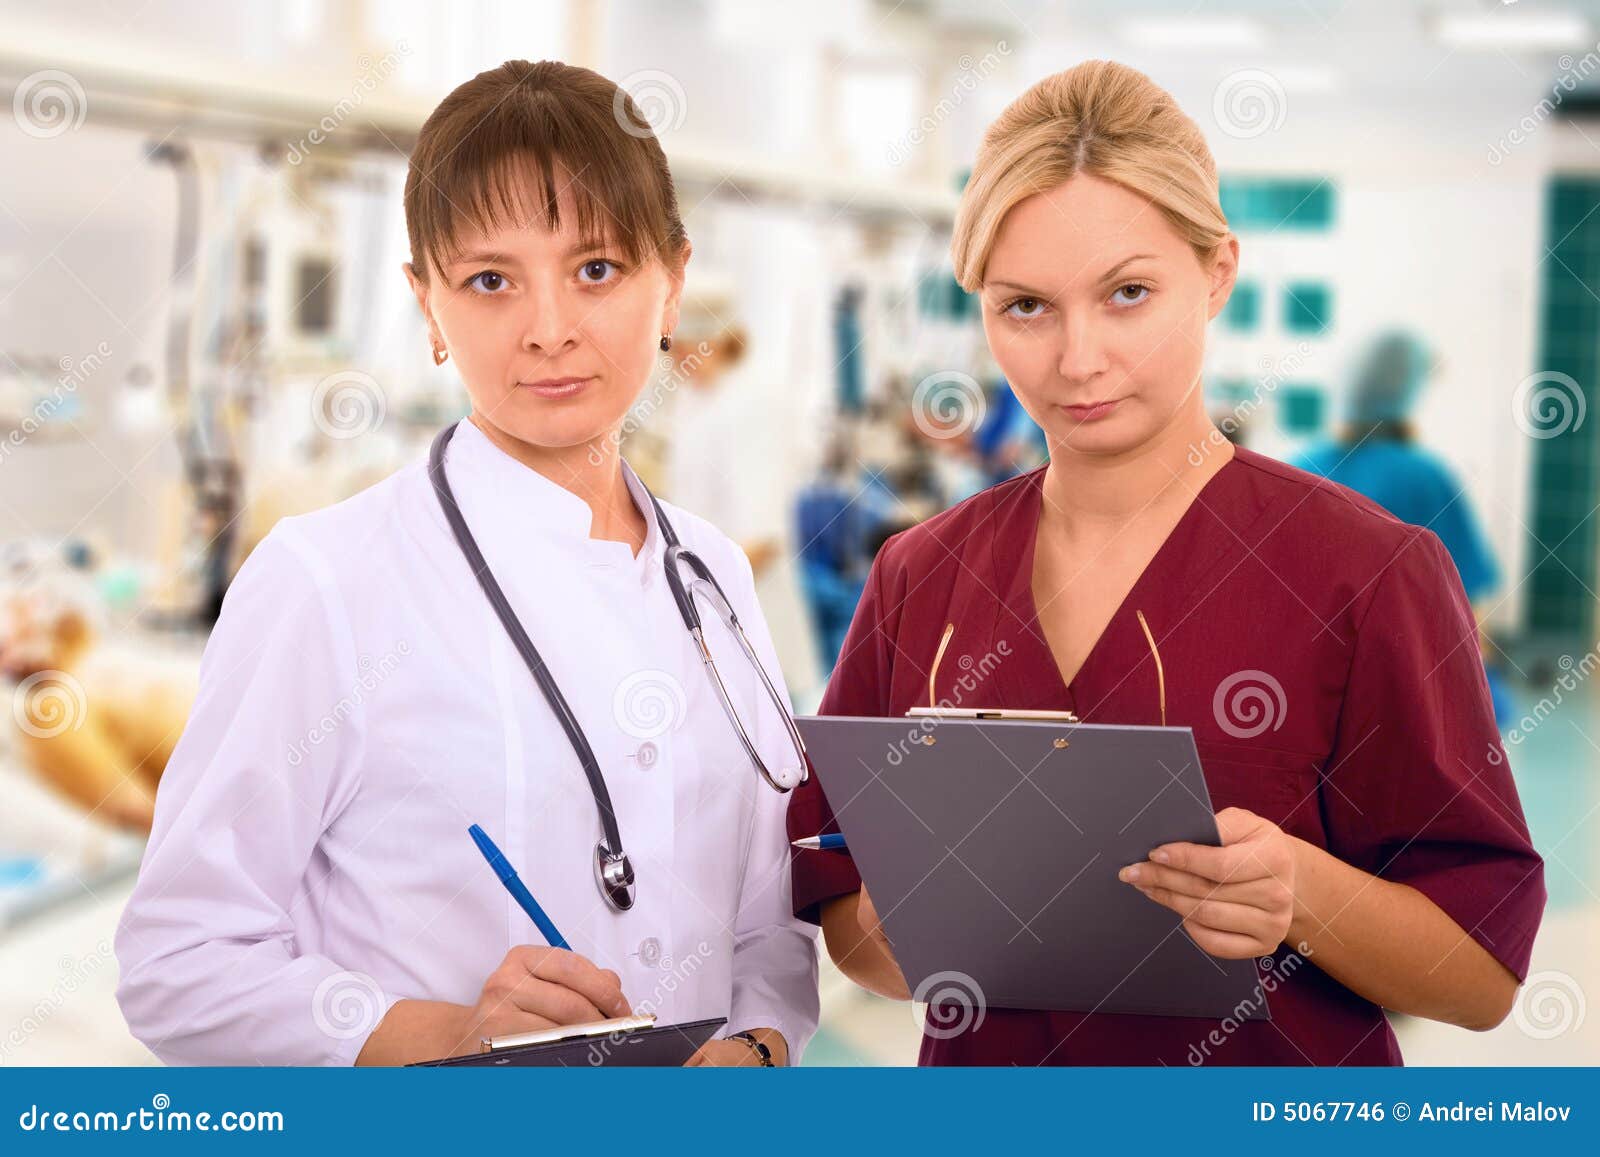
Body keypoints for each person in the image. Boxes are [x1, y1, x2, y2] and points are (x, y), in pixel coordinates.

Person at [787, 60, 1545, 1066]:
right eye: (1025, 306)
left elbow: (1480, 976)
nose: (1078, 358)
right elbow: (850, 926)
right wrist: (914, 916)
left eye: (1128, 293)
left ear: (1217, 273)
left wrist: (1301, 893)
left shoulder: (1365, 572)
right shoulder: (918, 576)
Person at [116, 59, 818, 1067]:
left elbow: (766, 926)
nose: (549, 330)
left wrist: (757, 1041)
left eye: (596, 269)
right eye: (491, 280)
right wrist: (448, 1034)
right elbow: (178, 959)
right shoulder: (326, 581)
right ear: (427, 303)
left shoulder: (712, 573)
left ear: (671, 281)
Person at [1294, 332, 1513, 724]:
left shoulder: (1301, 468)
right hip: (1408, 687)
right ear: (1408, 392)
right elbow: (1467, 603)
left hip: (1307, 684)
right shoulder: (1425, 478)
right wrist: (1482, 686)